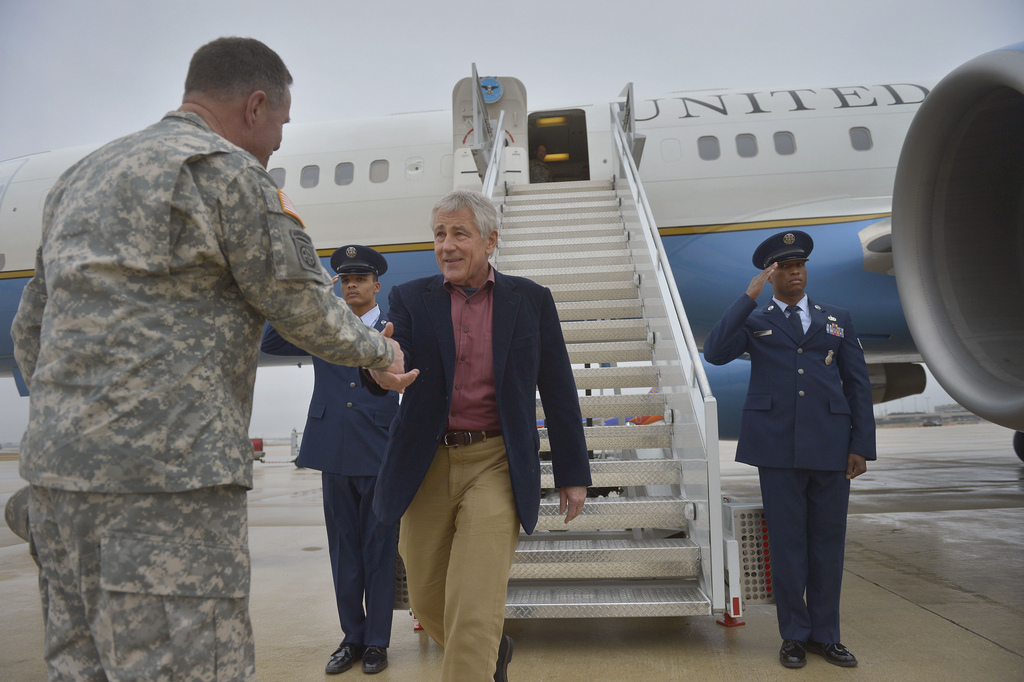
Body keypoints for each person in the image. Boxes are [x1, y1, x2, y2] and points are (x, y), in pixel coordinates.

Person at [11, 37, 405, 681]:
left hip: (58, 489)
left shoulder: (80, 178)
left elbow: (34, 328)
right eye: (280, 123)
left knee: (80, 668)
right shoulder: (226, 175)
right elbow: (300, 304)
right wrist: (382, 352)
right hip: (167, 491)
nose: (278, 141)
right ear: (255, 105)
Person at [368, 189, 592, 681]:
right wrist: (381, 371)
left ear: (490, 241)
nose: (446, 246)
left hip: (495, 461)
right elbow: (391, 357)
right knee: (427, 598)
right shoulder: (411, 297)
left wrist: (573, 473)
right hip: (426, 462)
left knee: (473, 605)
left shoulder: (531, 300)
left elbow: (558, 388)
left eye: (459, 234)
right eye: (439, 234)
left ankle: (476, 657)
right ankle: (492, 651)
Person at [702, 230, 875, 669]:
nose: (795, 272)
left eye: (800, 265)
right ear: (772, 273)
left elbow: (858, 386)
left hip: (832, 448)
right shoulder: (756, 321)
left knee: (827, 546)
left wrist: (861, 446)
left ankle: (826, 636)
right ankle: (794, 636)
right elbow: (716, 351)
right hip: (777, 449)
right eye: (785, 266)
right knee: (788, 546)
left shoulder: (836, 319)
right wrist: (747, 297)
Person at [261, 245, 397, 675]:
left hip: (378, 451)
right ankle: (351, 638)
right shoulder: (323, 325)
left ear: (377, 284)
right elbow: (271, 339)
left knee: (379, 552)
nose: (353, 285)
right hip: (334, 450)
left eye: (361, 278)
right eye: (346, 278)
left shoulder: (397, 328)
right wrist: (317, 293)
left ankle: (377, 642)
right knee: (344, 554)